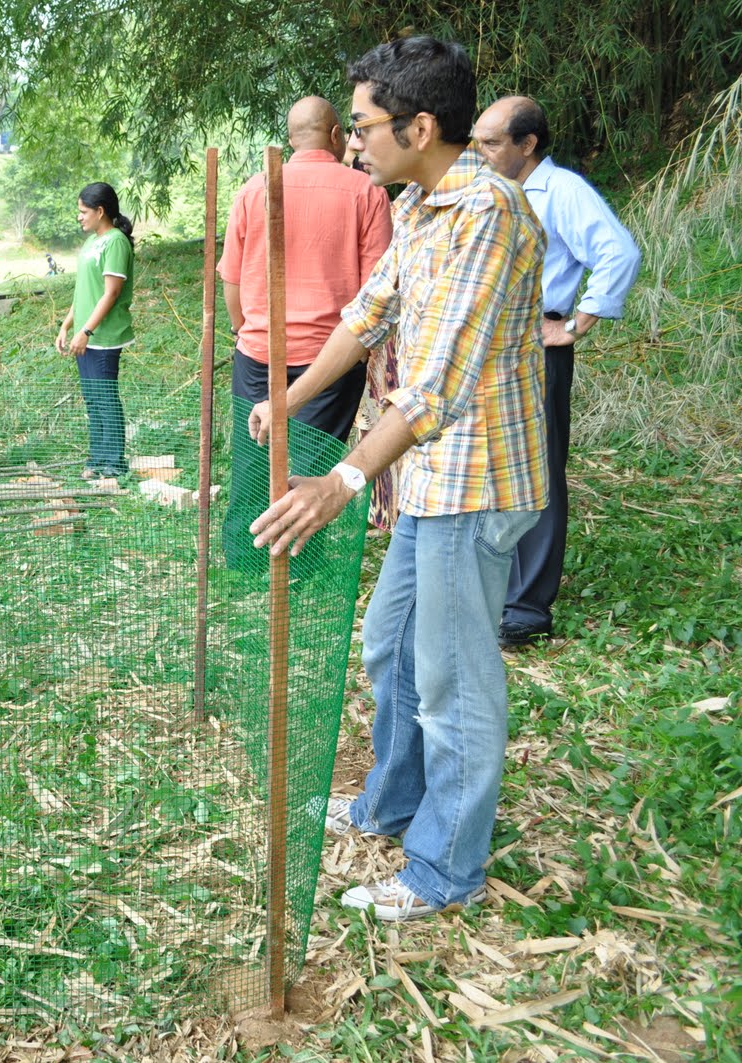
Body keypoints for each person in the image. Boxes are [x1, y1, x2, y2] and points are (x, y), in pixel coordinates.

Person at [246, 38, 548, 921]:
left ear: (421, 126)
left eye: (367, 126)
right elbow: (368, 314)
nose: (354, 144)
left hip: (479, 480)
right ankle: (393, 799)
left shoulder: (490, 214)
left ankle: (445, 869)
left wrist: (340, 477)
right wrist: (294, 399)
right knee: (390, 644)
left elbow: (437, 383)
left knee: (453, 680)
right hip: (429, 478)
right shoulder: (418, 204)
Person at [473, 96, 643, 649]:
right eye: (478, 138)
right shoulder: (486, 185)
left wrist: (575, 325)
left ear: (528, 144)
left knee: (538, 470)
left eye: (492, 141)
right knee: (491, 462)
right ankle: (493, 585)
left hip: (536, 343)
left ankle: (526, 607)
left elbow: (618, 252)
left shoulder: (562, 190)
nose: (480, 149)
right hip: (485, 343)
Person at [218, 96, 393, 566]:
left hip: (257, 351)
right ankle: (295, 559)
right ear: (337, 135)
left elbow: (230, 279)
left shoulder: (254, 189)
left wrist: (245, 330)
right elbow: (377, 285)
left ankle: (244, 554)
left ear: (291, 137)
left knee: (254, 456)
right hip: (331, 356)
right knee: (312, 460)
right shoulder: (366, 193)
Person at [56, 182, 136, 479]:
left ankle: (113, 463)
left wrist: (86, 331)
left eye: (83, 211)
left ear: (100, 211)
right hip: (84, 335)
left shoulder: (115, 241)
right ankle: (98, 458)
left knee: (105, 398)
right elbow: (85, 292)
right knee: (92, 399)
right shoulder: (92, 242)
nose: (79, 217)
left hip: (103, 337)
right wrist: (67, 325)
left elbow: (111, 293)